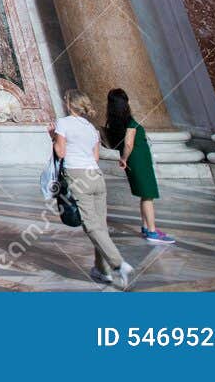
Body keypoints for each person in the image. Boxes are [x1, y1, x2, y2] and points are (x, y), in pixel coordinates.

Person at [53, 89, 134, 288]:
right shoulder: (91, 128)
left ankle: (118, 264)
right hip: (96, 175)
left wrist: (52, 137)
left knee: (90, 225)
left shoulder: (62, 123)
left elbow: (61, 152)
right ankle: (102, 270)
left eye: (65, 100)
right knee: (100, 225)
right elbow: (96, 157)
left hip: (78, 175)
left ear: (69, 104)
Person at [104, 88, 175, 245]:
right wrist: (124, 158)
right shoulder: (129, 122)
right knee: (148, 194)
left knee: (145, 194)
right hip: (138, 161)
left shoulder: (116, 122)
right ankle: (152, 230)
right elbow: (129, 143)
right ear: (126, 103)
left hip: (137, 160)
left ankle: (145, 226)